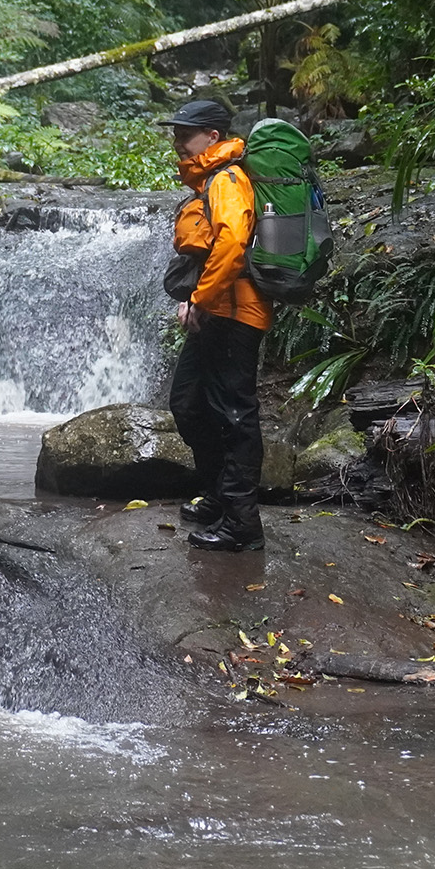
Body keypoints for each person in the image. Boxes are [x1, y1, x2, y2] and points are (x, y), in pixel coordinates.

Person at [159, 100, 268, 552]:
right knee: (187, 403)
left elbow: (232, 244)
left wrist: (199, 302)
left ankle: (243, 524)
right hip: (216, 311)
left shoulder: (228, 178)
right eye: (178, 133)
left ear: (214, 137)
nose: (179, 141)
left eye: (188, 133)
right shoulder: (210, 179)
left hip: (236, 313)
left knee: (235, 416)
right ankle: (220, 496)